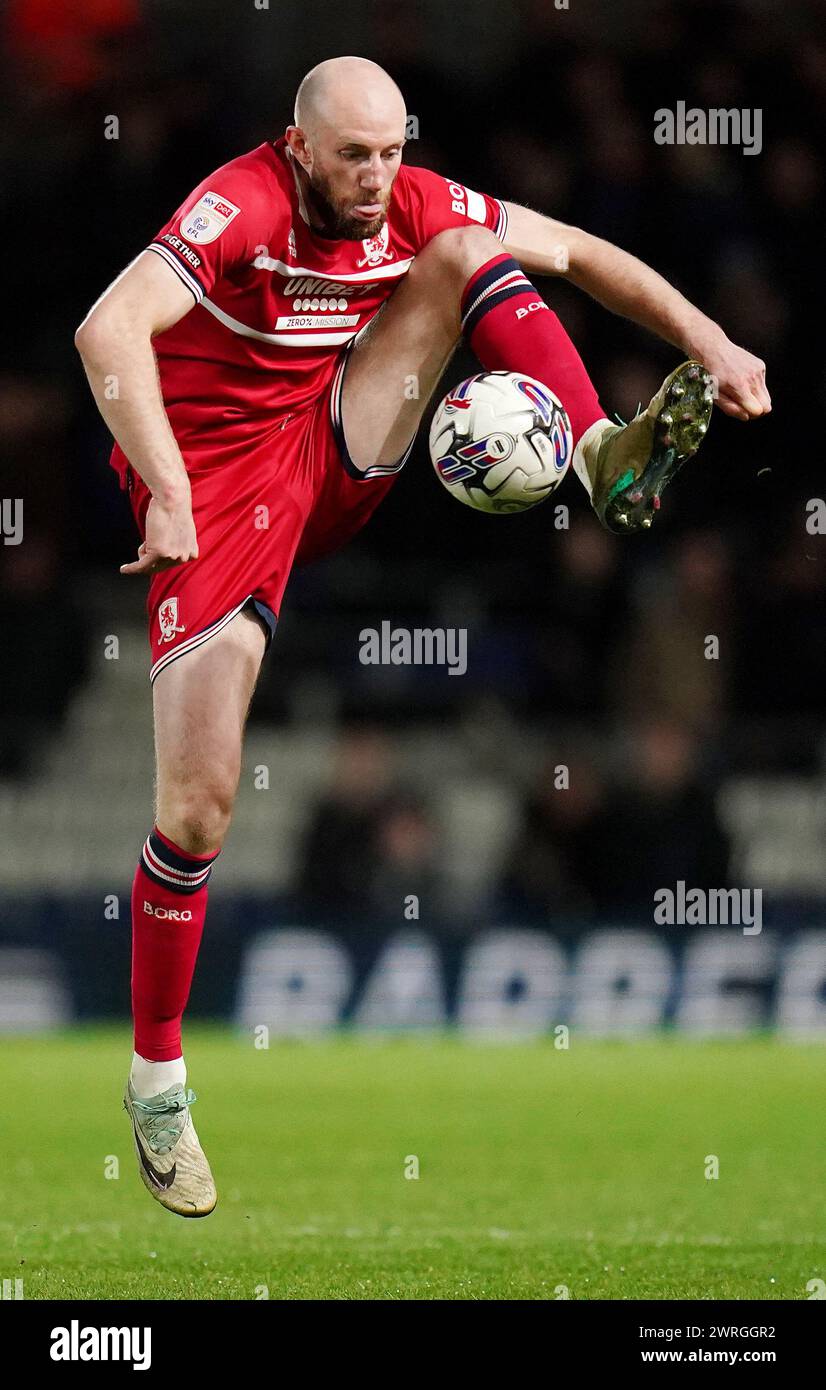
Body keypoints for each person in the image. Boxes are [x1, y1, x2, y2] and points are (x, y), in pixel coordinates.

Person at [74, 55, 770, 1217]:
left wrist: (714, 339)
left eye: (392, 150)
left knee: (464, 254)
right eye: (353, 155)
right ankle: (156, 1081)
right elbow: (109, 331)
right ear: (299, 148)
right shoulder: (236, 203)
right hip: (215, 491)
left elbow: (587, 255)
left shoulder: (413, 200)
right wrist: (165, 486)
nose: (377, 175)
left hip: (333, 439)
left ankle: (597, 452)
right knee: (197, 807)